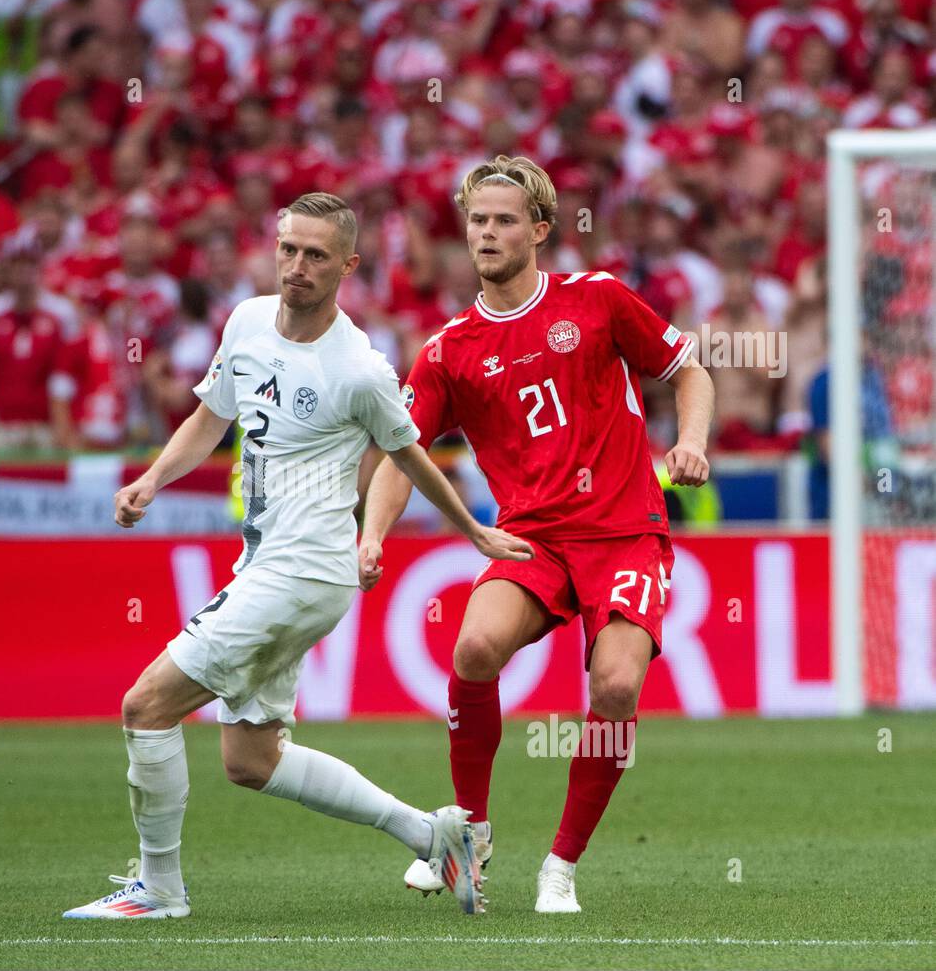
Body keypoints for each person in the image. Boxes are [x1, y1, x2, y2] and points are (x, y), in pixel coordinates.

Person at [64, 193, 533, 920]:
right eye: (288, 249)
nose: (297, 267)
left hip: (306, 567)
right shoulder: (248, 322)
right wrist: (153, 478)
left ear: (347, 266)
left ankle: (158, 889)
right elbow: (210, 415)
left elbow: (411, 455)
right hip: (265, 563)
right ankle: (436, 836)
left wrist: (474, 531)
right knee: (251, 760)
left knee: (145, 706)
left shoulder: (359, 368)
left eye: (317, 255)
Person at [361, 156, 715, 913]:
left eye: (504, 220)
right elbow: (401, 451)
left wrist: (692, 441)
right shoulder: (449, 350)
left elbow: (690, 371)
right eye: (477, 221)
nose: (487, 233)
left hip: (624, 531)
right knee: (472, 648)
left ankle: (561, 866)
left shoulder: (598, 300)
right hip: (532, 539)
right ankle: (470, 836)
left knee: (617, 685)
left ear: (540, 231)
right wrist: (372, 537)